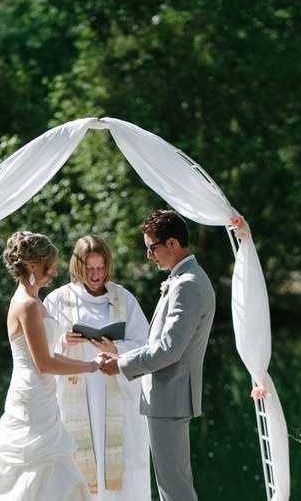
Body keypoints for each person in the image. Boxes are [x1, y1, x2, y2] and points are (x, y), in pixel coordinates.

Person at [0, 231, 97, 501]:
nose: (56, 270)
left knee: (51, 471)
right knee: (40, 468)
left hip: (43, 395)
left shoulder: (34, 301)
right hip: (33, 397)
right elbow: (44, 363)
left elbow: (43, 350)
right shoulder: (28, 304)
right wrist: (90, 366)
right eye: (51, 263)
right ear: (33, 265)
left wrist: (64, 340)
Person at [98, 210, 216, 501]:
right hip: (170, 397)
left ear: (172, 243)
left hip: (170, 397)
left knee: (174, 489)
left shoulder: (187, 284)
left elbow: (169, 349)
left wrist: (121, 365)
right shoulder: (185, 279)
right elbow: (163, 342)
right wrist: (121, 354)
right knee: (172, 484)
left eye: (152, 247)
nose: (149, 255)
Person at [44, 236, 151, 501]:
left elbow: (147, 344)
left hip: (117, 396)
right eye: (90, 269)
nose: (96, 275)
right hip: (76, 396)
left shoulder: (123, 299)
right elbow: (40, 352)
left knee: (120, 466)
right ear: (78, 267)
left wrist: (117, 349)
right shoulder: (58, 300)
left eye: (101, 268)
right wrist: (62, 341)